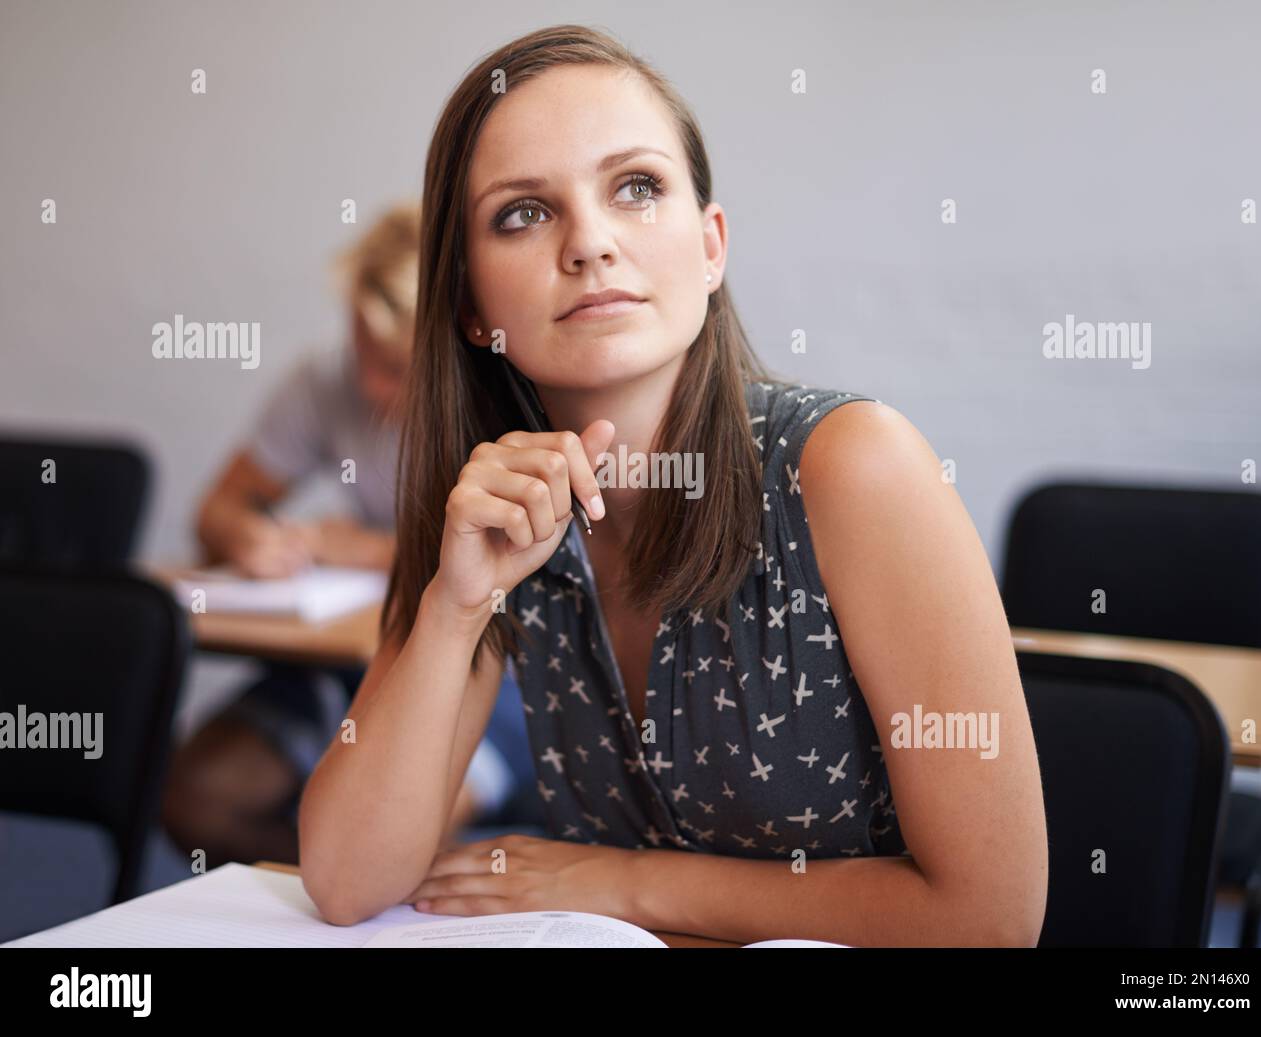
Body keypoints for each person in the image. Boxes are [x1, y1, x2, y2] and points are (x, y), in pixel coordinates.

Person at [298, 25, 1048, 946]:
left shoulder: (855, 466)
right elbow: (342, 879)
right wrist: (456, 606)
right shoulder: (491, 504)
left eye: (637, 187)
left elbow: (993, 916)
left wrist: (627, 882)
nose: (591, 243)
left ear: (711, 246)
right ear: (466, 302)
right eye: (523, 213)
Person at [161, 203, 541, 870]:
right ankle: (340, 886)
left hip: (499, 671)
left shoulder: (510, 395)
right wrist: (248, 535)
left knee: (402, 826)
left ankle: (361, 878)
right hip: (344, 662)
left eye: (396, 367)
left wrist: (366, 549)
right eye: (363, 352)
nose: (370, 384)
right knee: (193, 799)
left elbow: (534, 559)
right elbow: (217, 510)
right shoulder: (325, 379)